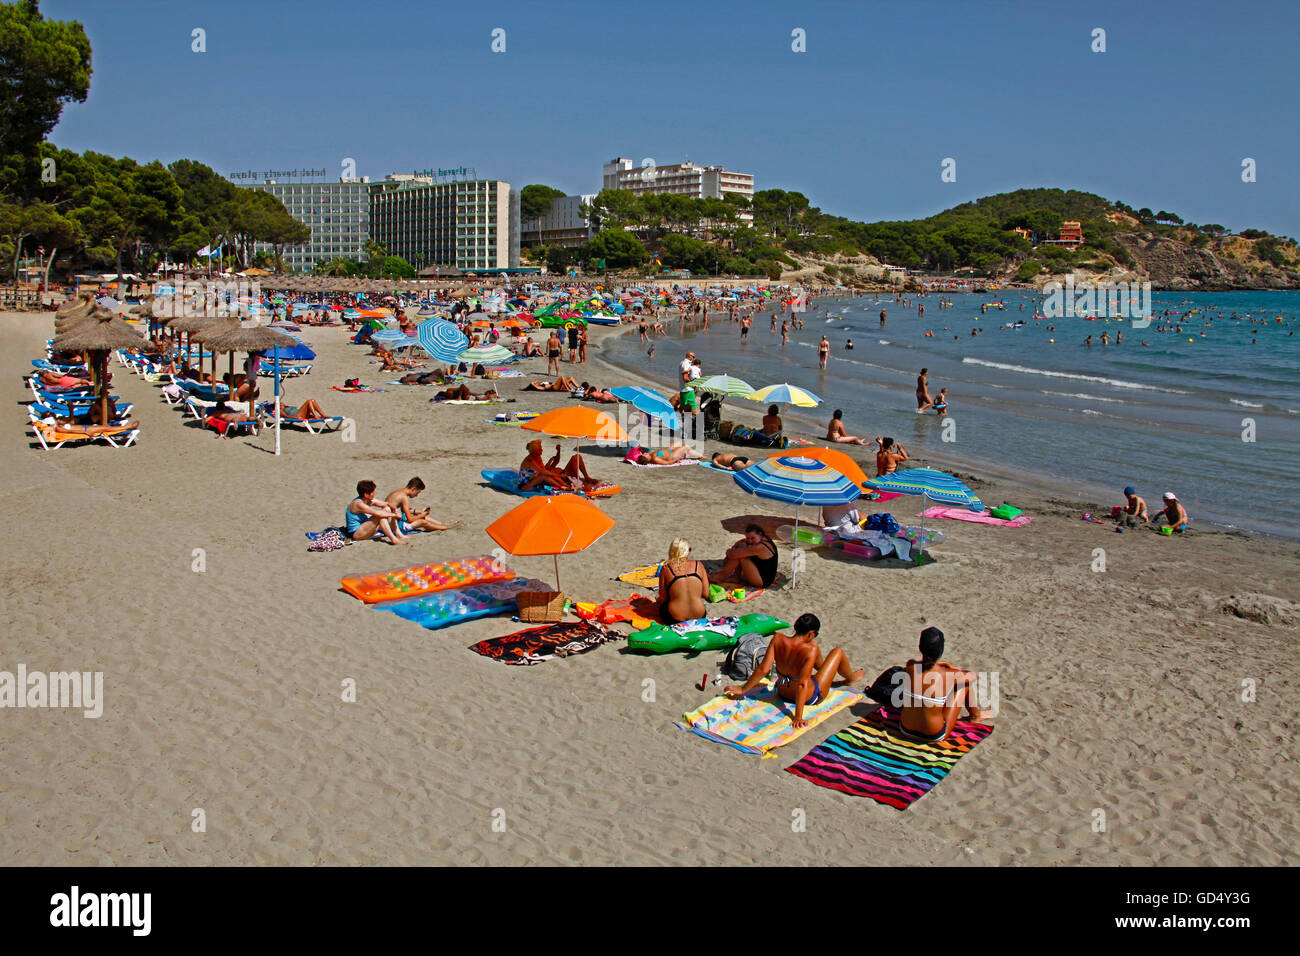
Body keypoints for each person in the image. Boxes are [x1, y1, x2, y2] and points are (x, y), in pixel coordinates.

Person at [724, 613, 865, 729]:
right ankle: (851, 678)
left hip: (783, 692)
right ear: (811, 633)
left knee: (814, 655)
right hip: (810, 696)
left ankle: (824, 670)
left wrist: (743, 690)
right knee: (837, 652)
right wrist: (798, 717)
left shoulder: (777, 638)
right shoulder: (811, 648)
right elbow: (803, 684)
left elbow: (762, 670)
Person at [897, 626, 992, 742]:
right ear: (941, 650)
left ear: (920, 647)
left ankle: (975, 715)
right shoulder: (949, 674)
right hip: (933, 735)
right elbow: (973, 676)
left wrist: (942, 664)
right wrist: (949, 666)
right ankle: (975, 716)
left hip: (905, 729)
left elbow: (921, 663)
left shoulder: (911, 666)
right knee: (964, 684)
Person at [710, 524, 780, 589]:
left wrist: (729, 551)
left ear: (760, 534)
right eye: (748, 538)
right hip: (759, 572)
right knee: (742, 547)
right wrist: (736, 546)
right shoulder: (764, 538)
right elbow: (741, 542)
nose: (750, 541)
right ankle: (735, 576)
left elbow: (732, 554)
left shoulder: (760, 547)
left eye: (752, 538)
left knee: (741, 555)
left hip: (762, 581)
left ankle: (721, 576)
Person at [656, 538, 708, 625]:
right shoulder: (698, 565)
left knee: (661, 605)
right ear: (686, 552)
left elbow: (663, 597)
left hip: (675, 618)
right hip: (699, 615)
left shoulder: (666, 568)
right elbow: (706, 594)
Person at [385, 477, 459, 533]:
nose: (417, 495)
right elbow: (410, 519)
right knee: (423, 522)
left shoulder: (399, 492)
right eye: (417, 493)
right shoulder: (404, 498)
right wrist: (422, 515)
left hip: (390, 519)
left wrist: (420, 512)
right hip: (392, 524)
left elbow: (404, 510)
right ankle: (444, 528)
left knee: (422, 515)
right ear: (413, 489)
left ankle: (443, 524)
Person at [345, 479, 407, 544]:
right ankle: (394, 540)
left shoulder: (368, 500)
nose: (374, 494)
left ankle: (399, 534)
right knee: (380, 516)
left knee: (387, 509)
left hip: (365, 529)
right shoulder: (358, 504)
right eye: (373, 492)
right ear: (366, 494)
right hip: (357, 534)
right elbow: (378, 513)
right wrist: (395, 515)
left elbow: (386, 504)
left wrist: (394, 509)